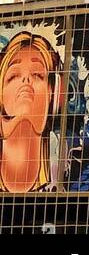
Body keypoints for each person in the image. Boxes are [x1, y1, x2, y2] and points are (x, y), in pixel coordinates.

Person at [0, 30, 60, 193]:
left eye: (37, 74)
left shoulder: (62, 170)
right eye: (13, 76)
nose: (26, 80)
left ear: (52, 94)